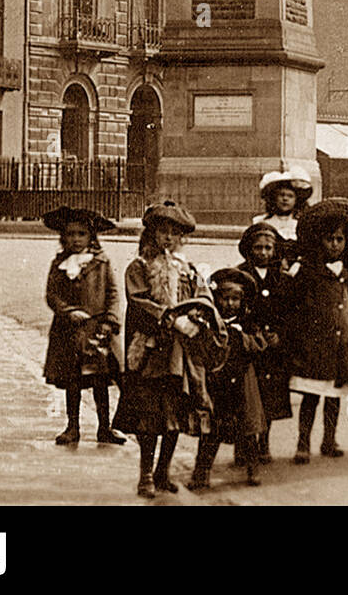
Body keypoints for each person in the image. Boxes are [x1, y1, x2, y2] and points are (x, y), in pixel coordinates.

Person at [112, 200, 217, 498]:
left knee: (175, 414)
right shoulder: (140, 266)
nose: (168, 238)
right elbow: (139, 302)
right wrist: (170, 318)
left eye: (175, 233)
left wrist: (198, 316)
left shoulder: (190, 268)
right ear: (151, 234)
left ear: (183, 237)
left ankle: (163, 471)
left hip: (180, 354)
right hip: (152, 351)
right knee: (149, 417)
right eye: (162, 232)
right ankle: (145, 473)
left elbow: (204, 296)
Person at [285, 197, 348, 464]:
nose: (334, 244)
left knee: (334, 396)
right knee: (311, 396)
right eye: (330, 239)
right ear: (320, 241)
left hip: (341, 341)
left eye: (340, 239)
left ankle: (329, 439)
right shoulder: (308, 271)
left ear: (347, 243)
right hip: (314, 342)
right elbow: (295, 307)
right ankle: (303, 443)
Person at [41, 206, 125, 445]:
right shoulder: (60, 263)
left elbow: (112, 293)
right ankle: (73, 426)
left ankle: (104, 427)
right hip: (68, 331)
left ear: (91, 237)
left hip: (97, 329)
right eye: (71, 234)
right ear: (63, 237)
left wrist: (110, 320)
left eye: (81, 234)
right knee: (73, 380)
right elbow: (52, 294)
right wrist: (68, 312)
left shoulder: (101, 262)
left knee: (100, 380)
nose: (76, 239)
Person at [188, 268, 266, 490]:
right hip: (218, 381)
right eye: (225, 298)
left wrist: (241, 337)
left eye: (235, 299)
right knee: (212, 429)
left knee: (248, 430)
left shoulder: (248, 322)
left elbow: (260, 344)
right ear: (216, 299)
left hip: (243, 380)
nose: (230, 303)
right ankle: (201, 471)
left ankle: (253, 467)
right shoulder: (212, 321)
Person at [235, 221, 293, 464]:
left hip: (272, 348)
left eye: (268, 248)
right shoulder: (239, 274)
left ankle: (264, 442)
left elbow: (290, 313)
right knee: (245, 396)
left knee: (269, 396)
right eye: (258, 247)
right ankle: (242, 446)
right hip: (249, 345)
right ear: (249, 249)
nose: (263, 253)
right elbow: (232, 309)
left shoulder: (282, 279)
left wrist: (280, 334)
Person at [253, 168, 312, 260]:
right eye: (281, 195)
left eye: (290, 196)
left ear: (296, 200)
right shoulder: (262, 222)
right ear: (274, 198)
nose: (285, 199)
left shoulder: (302, 223)